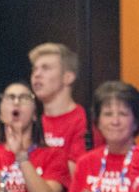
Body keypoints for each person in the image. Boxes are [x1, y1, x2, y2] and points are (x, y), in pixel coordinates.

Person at [30, 42, 98, 176]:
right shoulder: (32, 123)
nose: (37, 74)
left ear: (68, 77)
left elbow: (78, 177)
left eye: (46, 68)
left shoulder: (83, 121)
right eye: (34, 69)